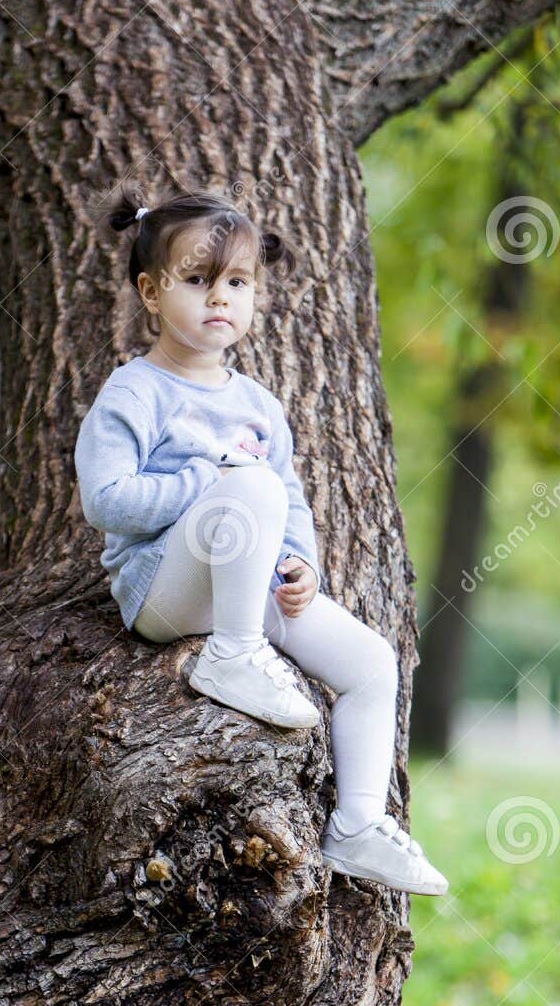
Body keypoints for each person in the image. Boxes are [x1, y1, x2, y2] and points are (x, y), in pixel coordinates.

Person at [73, 187, 447, 896]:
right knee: (244, 485)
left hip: (242, 584)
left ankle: (357, 826)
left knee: (369, 662)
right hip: (163, 589)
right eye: (196, 280)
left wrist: (297, 560)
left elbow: (289, 496)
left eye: (236, 283)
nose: (219, 299)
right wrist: (204, 481)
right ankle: (234, 657)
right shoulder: (134, 392)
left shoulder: (256, 403)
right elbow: (108, 503)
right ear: (150, 292)